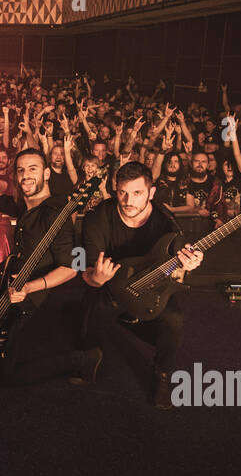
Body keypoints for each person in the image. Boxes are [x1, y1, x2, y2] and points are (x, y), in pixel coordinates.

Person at [0, 142, 103, 387]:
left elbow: (71, 268)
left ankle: (81, 359)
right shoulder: (26, 203)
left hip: (38, 292)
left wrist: (29, 289)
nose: (26, 175)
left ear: (46, 174)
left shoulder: (55, 212)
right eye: (21, 170)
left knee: (9, 375)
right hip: (11, 274)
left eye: (33, 169)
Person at [82, 161, 204, 409]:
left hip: (151, 289)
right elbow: (86, 274)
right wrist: (97, 278)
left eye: (137, 193)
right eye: (122, 192)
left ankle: (161, 375)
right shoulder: (98, 218)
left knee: (175, 319)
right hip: (111, 288)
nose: (128, 201)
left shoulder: (166, 223)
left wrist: (187, 266)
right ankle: (88, 355)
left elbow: (178, 275)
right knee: (96, 310)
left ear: (151, 193)